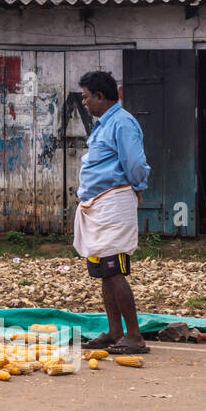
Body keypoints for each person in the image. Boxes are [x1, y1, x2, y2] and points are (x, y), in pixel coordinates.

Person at [72, 71, 151, 355]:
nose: (85, 102)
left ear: (100, 97)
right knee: (104, 272)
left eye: (86, 96)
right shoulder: (103, 124)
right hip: (98, 205)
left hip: (113, 203)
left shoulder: (122, 122)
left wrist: (139, 185)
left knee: (115, 270)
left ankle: (134, 335)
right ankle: (115, 331)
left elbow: (135, 162)